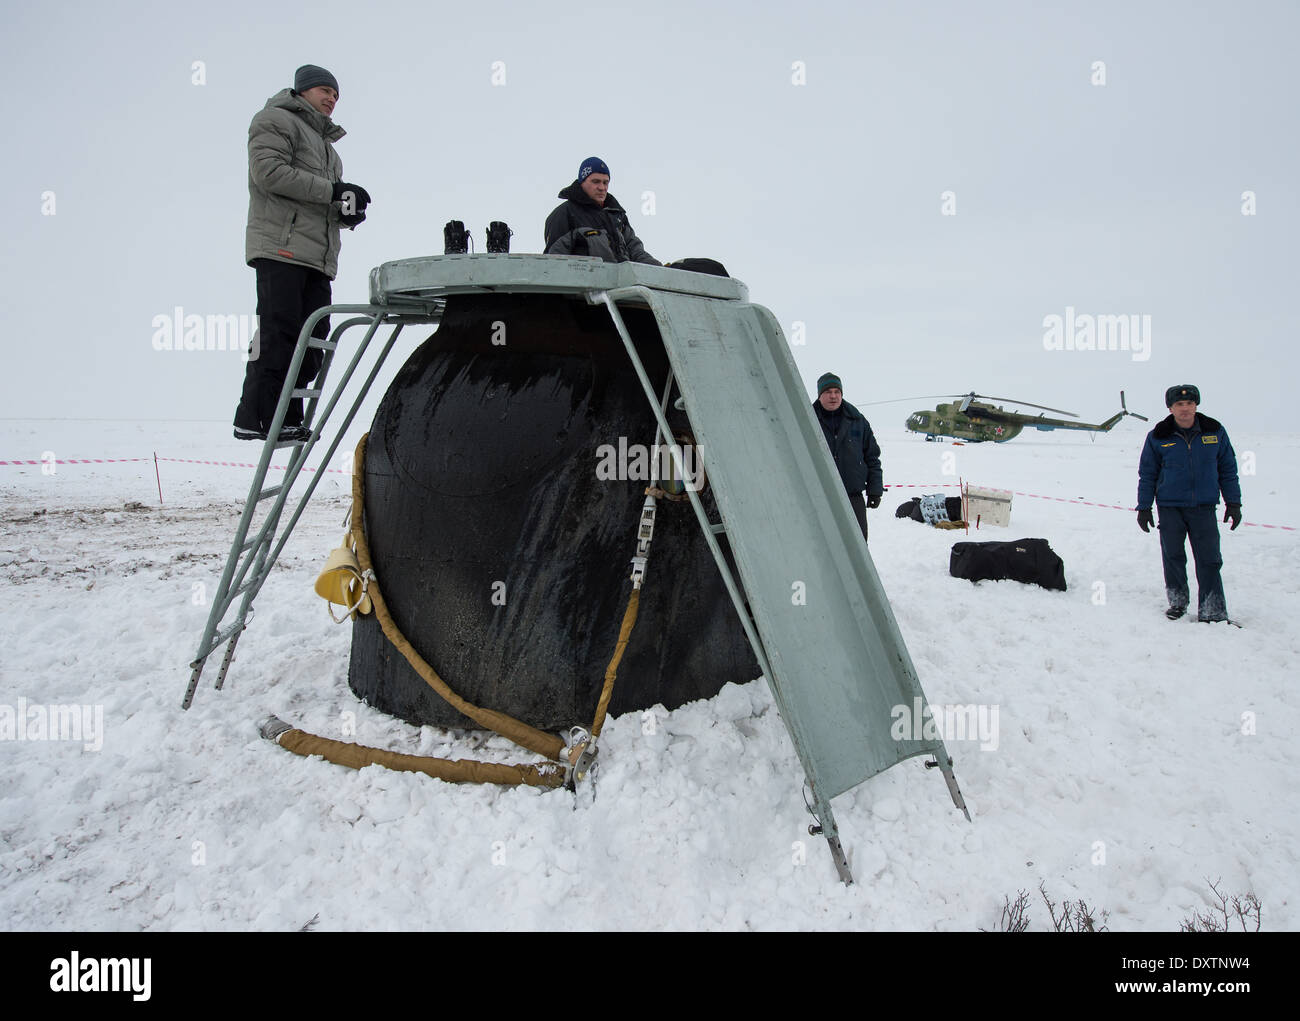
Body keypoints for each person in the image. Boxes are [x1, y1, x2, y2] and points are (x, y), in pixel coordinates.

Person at [233, 64, 371, 442]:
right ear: (302, 91)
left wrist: (347, 211)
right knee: (280, 333)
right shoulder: (275, 120)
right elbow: (269, 173)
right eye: (324, 91)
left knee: (312, 338)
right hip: (281, 246)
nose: (331, 99)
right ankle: (260, 418)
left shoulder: (328, 151)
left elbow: (318, 199)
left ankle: (278, 416)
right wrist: (332, 192)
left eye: (336, 95)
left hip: (318, 256)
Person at [1136, 384, 1242, 622]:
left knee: (1209, 559)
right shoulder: (1158, 436)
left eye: (1189, 404)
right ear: (1170, 408)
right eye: (1179, 405)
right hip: (1170, 507)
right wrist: (1144, 507)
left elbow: (1227, 469)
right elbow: (1148, 475)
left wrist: (1233, 502)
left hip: (1203, 508)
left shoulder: (1215, 432)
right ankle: (1177, 601)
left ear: (1196, 405)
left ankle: (1213, 610)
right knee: (1173, 556)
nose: (1185, 409)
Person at [543, 157, 660, 265]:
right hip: (585, 284)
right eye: (596, 181)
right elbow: (553, 262)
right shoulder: (564, 214)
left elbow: (636, 251)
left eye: (605, 182)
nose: (602, 187)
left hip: (623, 285)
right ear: (582, 181)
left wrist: (660, 268)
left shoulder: (617, 215)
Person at [813, 373, 883, 542]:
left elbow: (872, 457)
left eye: (837, 391)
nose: (833, 396)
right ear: (819, 395)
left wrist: (875, 490)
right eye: (828, 391)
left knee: (857, 542)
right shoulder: (807, 419)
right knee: (821, 542)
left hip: (852, 496)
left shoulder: (858, 421)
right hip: (818, 496)